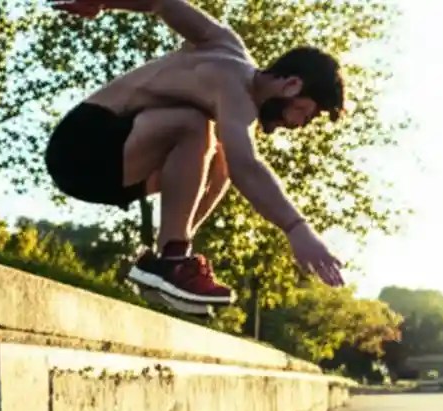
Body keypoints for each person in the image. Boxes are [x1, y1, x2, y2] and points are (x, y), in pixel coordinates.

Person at [45, 0, 346, 314]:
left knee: (222, 162)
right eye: (303, 113)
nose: (295, 126)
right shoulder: (230, 71)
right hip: (80, 147)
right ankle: (172, 260)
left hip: (112, 173)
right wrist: (296, 228)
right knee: (196, 126)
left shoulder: (229, 64)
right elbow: (163, 2)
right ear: (292, 85)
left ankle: (167, 258)